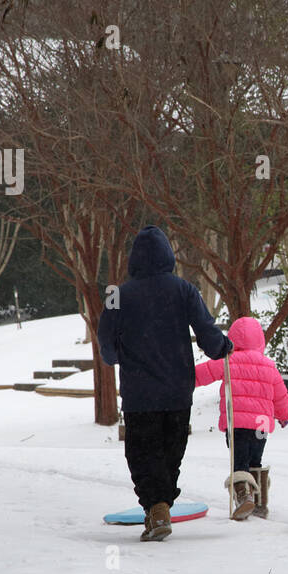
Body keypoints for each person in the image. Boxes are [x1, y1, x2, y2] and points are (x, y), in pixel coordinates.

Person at [98, 226, 232, 542]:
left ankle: (156, 507)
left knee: (143, 452)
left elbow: (106, 340)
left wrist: (115, 356)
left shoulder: (118, 294)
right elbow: (206, 329)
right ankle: (161, 506)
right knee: (172, 450)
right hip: (177, 390)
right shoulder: (183, 289)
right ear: (167, 256)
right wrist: (221, 346)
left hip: (139, 392)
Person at [195, 315, 288, 521]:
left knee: (239, 461)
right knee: (255, 460)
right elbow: (280, 394)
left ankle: (243, 496)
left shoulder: (227, 361)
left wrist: (180, 379)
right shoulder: (268, 365)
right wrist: (284, 415)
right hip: (262, 425)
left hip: (236, 423)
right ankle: (259, 503)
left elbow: (200, 375)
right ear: (260, 341)